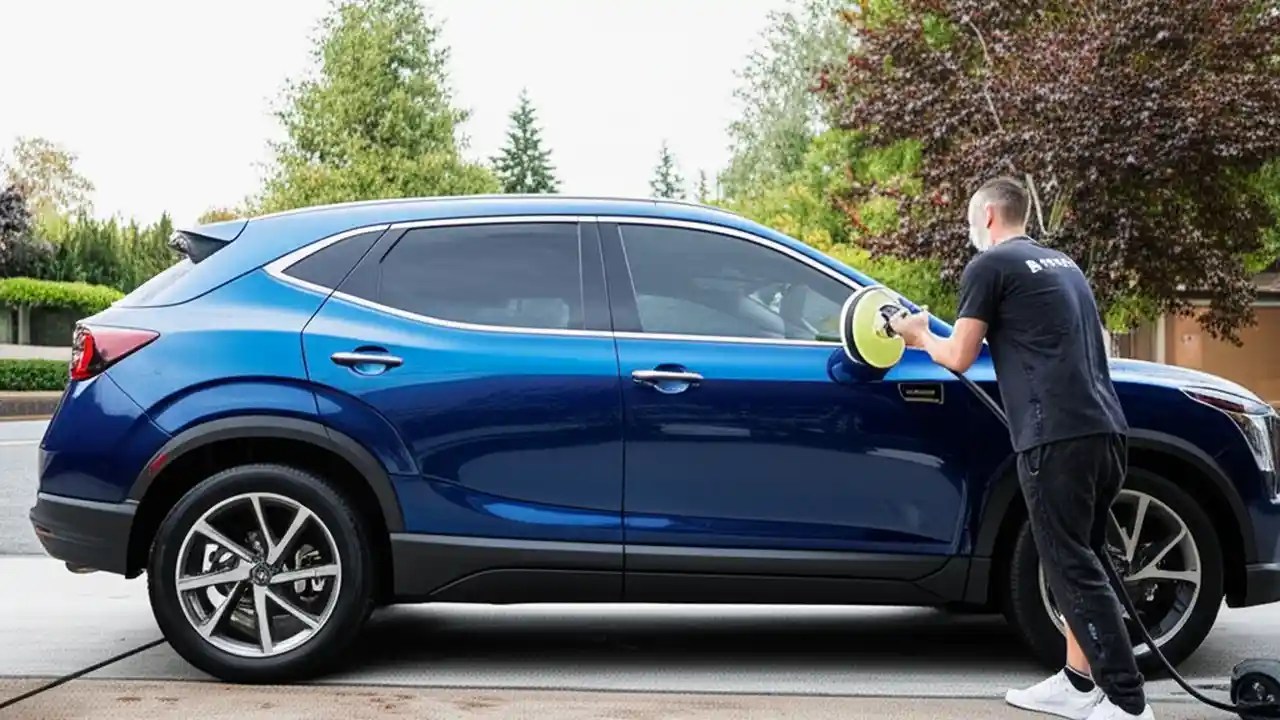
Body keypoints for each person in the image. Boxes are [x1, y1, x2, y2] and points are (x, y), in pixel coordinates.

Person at [887, 176, 1151, 720]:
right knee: (1082, 561)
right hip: (1104, 431)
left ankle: (1127, 705)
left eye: (968, 221)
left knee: (1072, 567)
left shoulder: (988, 266)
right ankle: (1079, 685)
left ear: (986, 217)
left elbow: (959, 355)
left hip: (1054, 437)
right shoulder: (1063, 265)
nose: (968, 232)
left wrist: (916, 336)